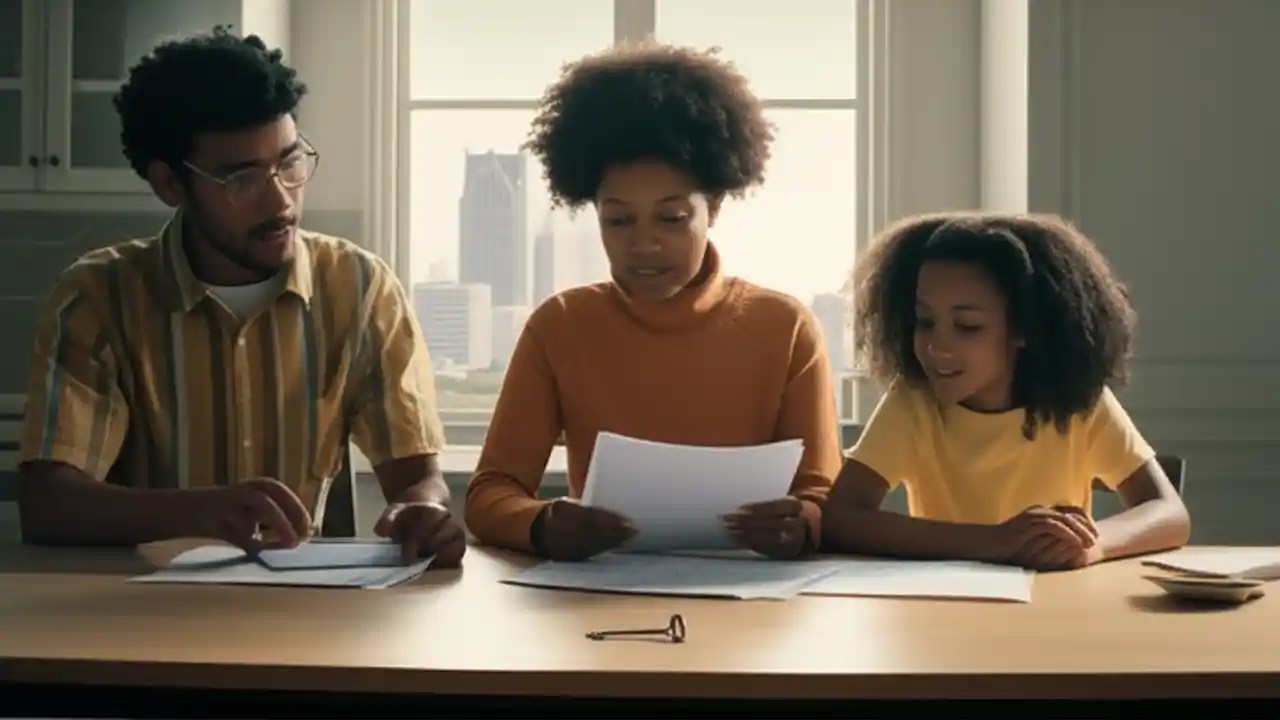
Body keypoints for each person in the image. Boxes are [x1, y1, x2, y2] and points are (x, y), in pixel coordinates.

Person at [17, 29, 465, 567]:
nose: (281, 200)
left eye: (290, 163)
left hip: (303, 611)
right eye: (242, 179)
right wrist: (199, 512)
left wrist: (423, 509)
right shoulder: (97, 297)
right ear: (170, 185)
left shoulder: (359, 287)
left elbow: (417, 474)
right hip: (134, 614)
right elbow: (49, 504)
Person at [464, 42, 842, 561]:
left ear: (714, 208)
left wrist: (804, 522)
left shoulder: (785, 326)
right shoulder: (561, 326)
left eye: (671, 219)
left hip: (755, 598)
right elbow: (491, 494)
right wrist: (542, 523)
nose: (643, 244)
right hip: (597, 598)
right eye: (618, 221)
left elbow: (821, 494)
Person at [822, 212, 1191, 570]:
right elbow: (840, 518)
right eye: (926, 321)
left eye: (967, 326)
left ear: (1024, 328)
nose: (937, 345)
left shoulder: (1077, 401)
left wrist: (1092, 544)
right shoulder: (914, 401)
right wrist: (995, 541)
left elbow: (1170, 512)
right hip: (944, 610)